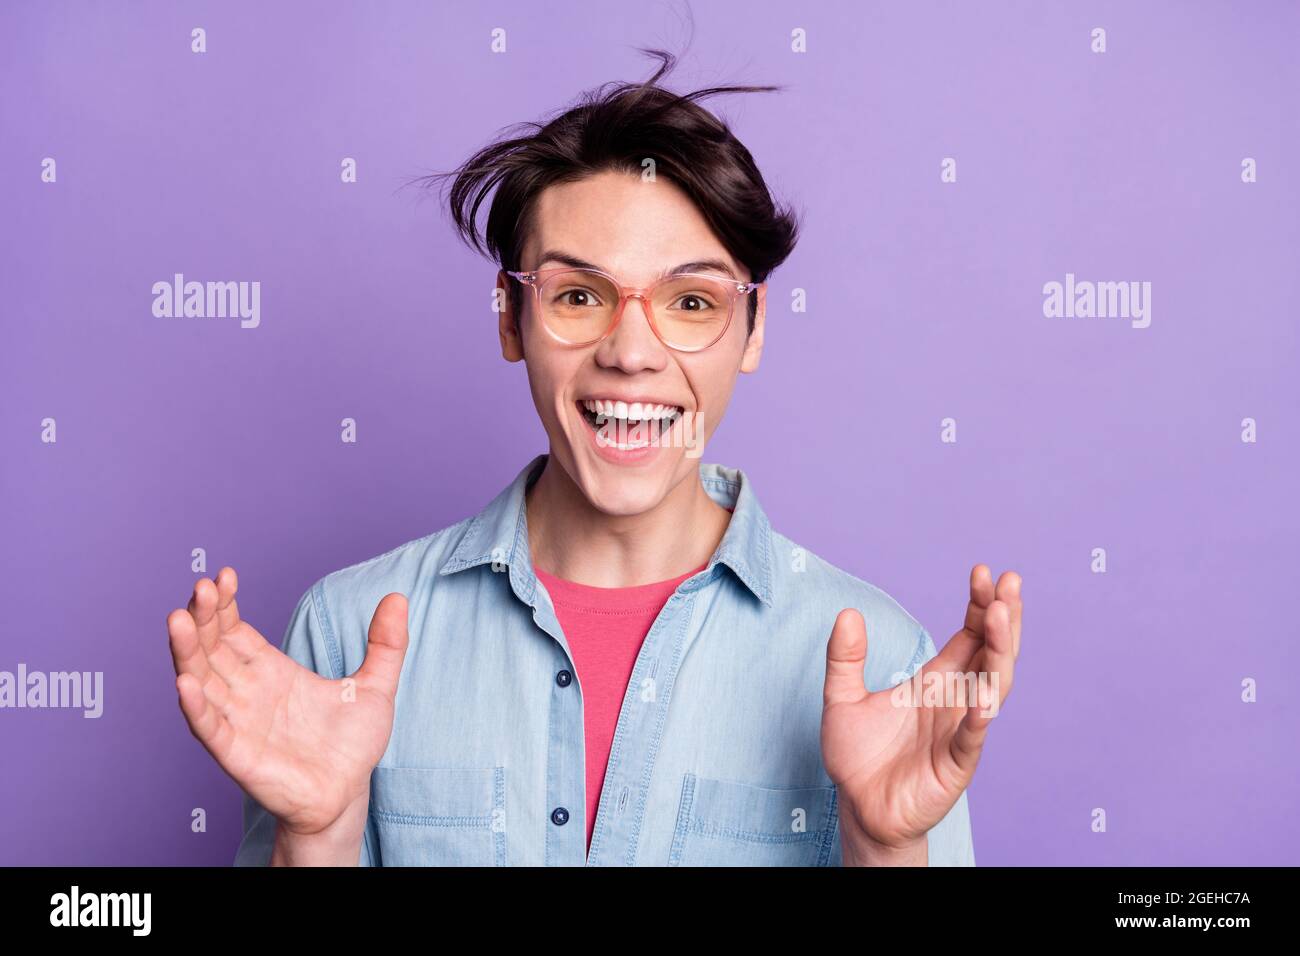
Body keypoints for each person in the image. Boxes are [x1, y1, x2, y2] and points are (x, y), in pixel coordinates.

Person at [166, 50, 1022, 867]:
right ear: (510, 318)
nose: (632, 353)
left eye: (692, 302)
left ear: (754, 330)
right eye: (579, 295)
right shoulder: (344, 632)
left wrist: (887, 851)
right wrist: (314, 841)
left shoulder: (885, 664)